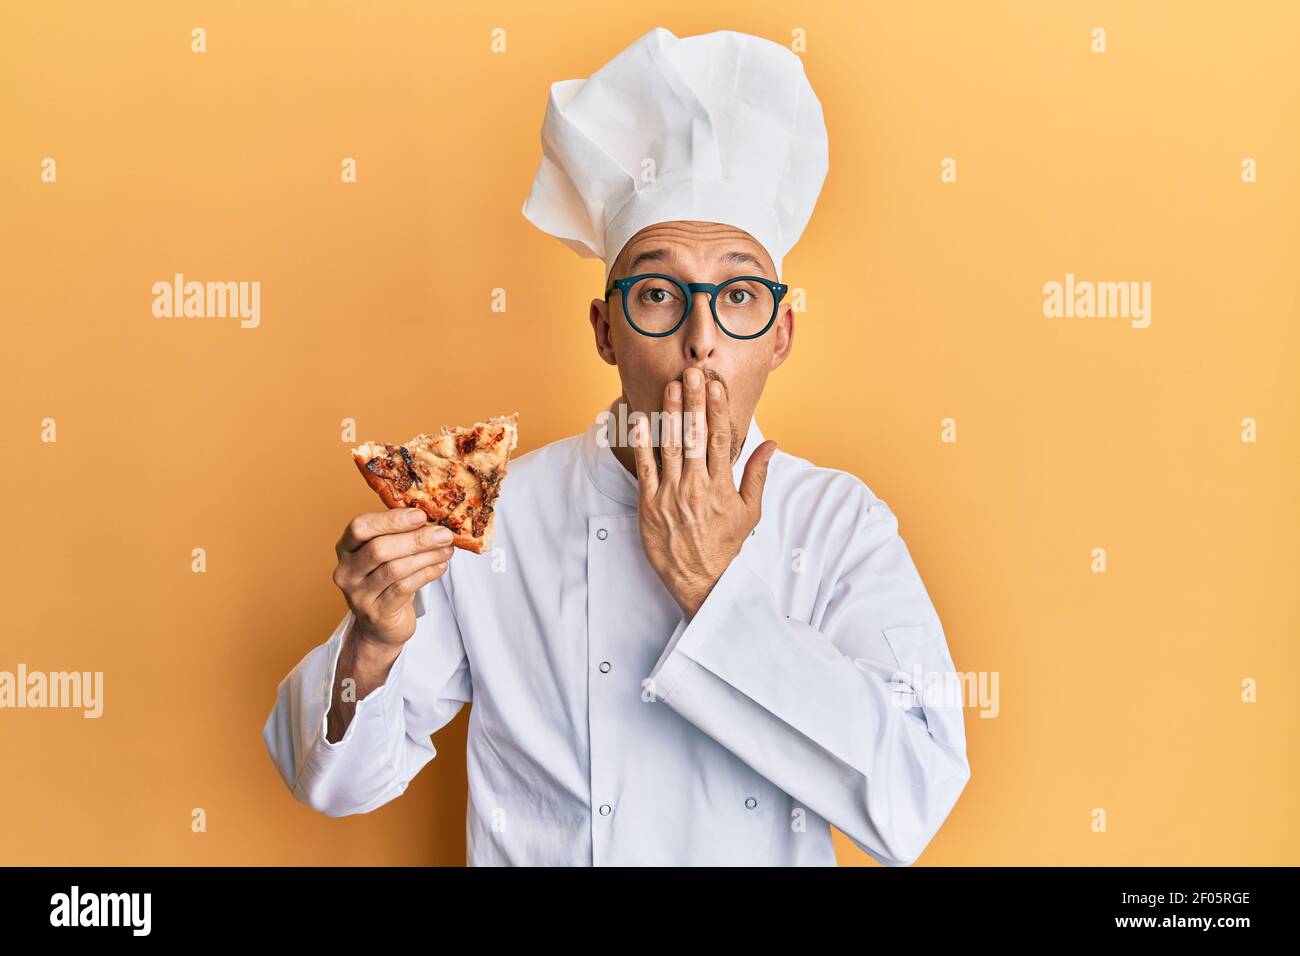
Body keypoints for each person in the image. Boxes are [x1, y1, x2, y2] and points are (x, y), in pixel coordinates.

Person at [263, 26, 970, 866]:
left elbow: (913, 803)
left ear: (779, 336)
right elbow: (335, 785)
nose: (700, 338)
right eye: (659, 293)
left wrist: (716, 591)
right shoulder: (500, 516)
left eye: (738, 295)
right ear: (605, 330)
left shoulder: (839, 524)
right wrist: (373, 644)